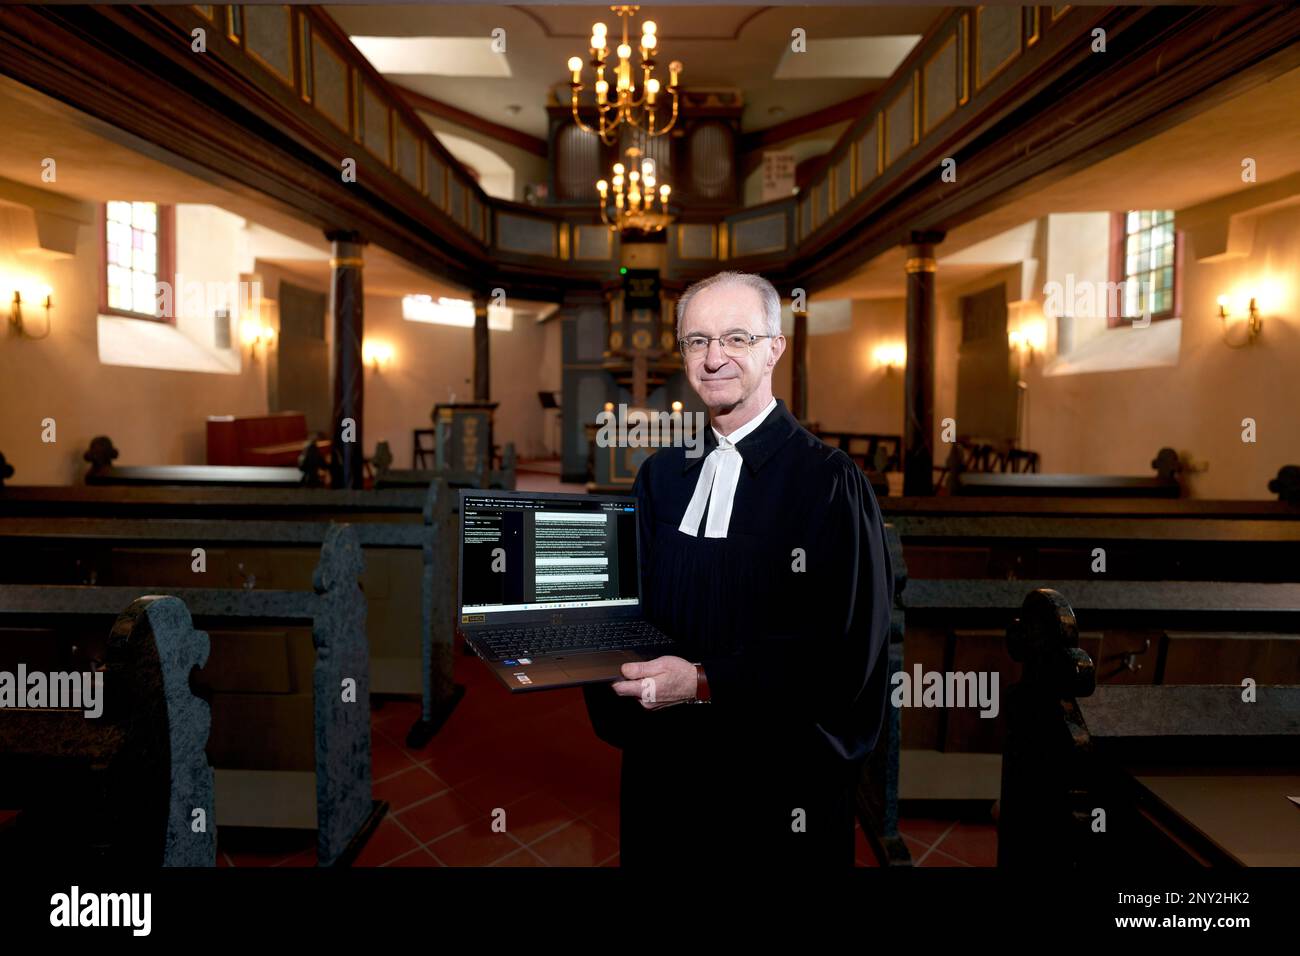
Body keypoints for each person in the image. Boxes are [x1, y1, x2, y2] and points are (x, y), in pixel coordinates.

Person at [582, 270, 894, 867]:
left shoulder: (828, 482)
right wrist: (568, 636)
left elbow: (845, 653)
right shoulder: (660, 476)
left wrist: (702, 680)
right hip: (665, 766)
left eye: (736, 338)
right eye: (697, 341)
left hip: (774, 778)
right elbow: (632, 607)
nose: (714, 357)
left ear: (774, 347)